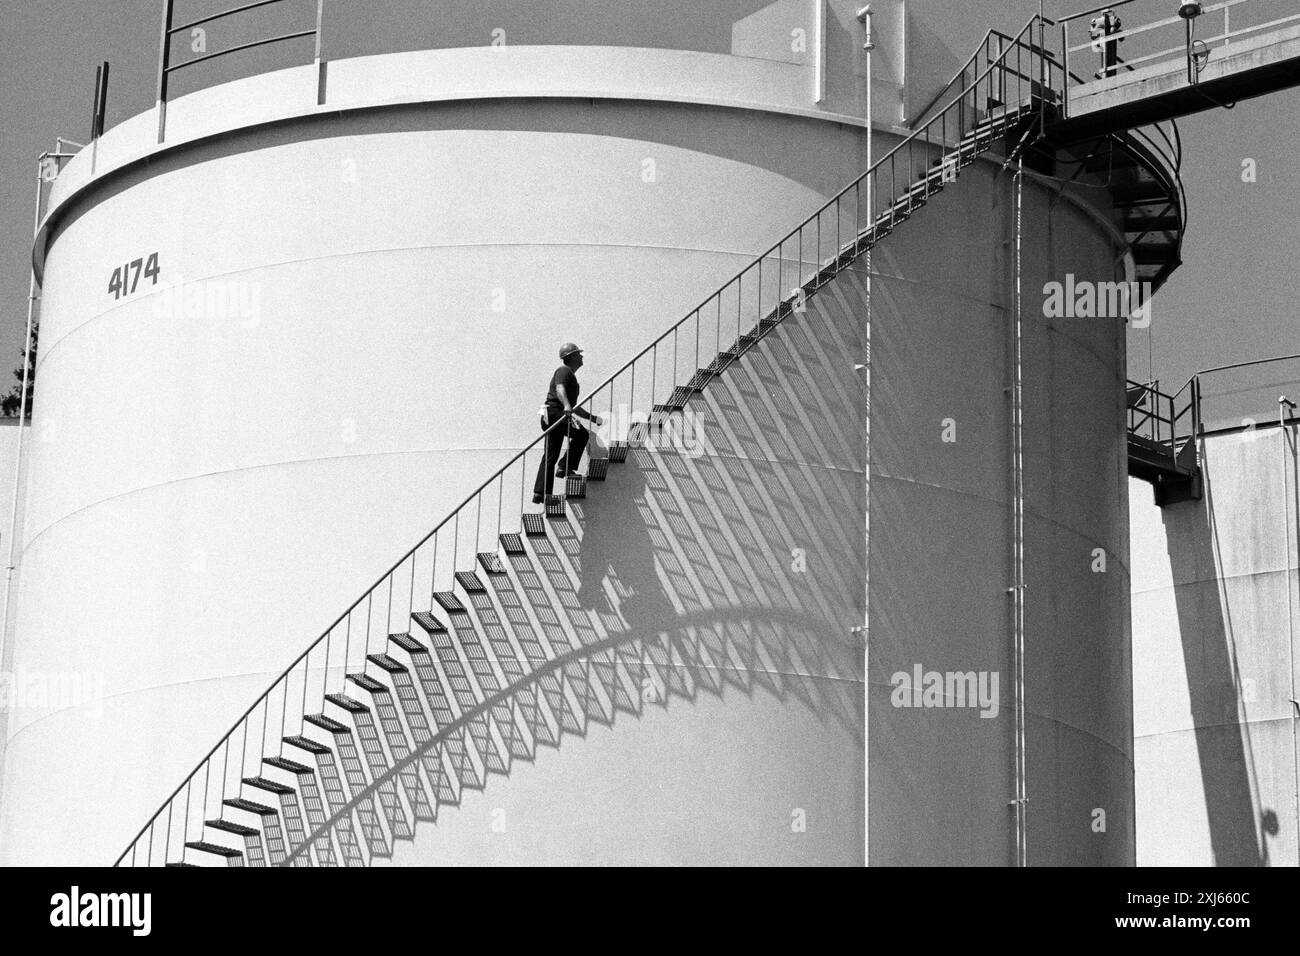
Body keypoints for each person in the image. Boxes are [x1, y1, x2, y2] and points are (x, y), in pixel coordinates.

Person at [533, 342, 603, 504]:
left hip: (552, 415)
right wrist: (565, 405)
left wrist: (591, 417)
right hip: (555, 412)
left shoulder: (571, 376)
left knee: (550, 455)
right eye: (578, 354)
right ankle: (565, 466)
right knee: (582, 434)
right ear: (570, 357)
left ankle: (541, 494)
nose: (581, 356)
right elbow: (559, 389)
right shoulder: (564, 371)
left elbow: (573, 407)